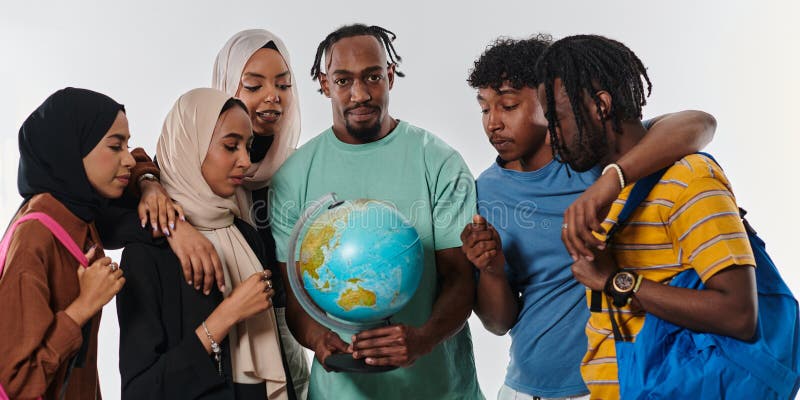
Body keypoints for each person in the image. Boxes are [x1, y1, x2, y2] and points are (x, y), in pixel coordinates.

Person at [460, 37, 718, 400]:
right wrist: (491, 269)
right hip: (523, 387)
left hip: (614, 382)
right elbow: (498, 323)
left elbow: (699, 123)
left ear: (548, 99)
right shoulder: (486, 191)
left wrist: (610, 181)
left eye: (509, 105)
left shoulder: (591, 156)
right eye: (485, 109)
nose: (493, 123)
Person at [534, 34, 757, 399]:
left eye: (557, 120)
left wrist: (616, 281)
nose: (550, 138)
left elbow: (739, 314)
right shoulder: (616, 188)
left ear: (601, 106)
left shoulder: (689, 179)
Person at [269, 24, 483, 399]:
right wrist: (318, 338)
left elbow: (461, 279)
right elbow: (296, 298)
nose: (361, 94)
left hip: (438, 389)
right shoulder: (292, 177)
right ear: (324, 84)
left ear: (390, 76)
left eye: (372, 77)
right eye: (343, 80)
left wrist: (423, 339)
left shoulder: (439, 163)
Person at [117, 88, 294, 399]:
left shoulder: (246, 234)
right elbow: (140, 391)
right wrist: (226, 316)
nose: (245, 161)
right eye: (230, 146)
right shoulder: (146, 253)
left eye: (248, 147)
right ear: (190, 145)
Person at [0, 88, 131, 399]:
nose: (128, 158)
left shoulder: (79, 212)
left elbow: (144, 166)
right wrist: (82, 307)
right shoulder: (36, 237)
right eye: (115, 146)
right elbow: (15, 382)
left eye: (128, 144)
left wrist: (150, 184)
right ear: (71, 148)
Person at [212, 29, 308, 397]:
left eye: (284, 85)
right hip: (216, 325)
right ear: (228, 89)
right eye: (253, 86)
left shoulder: (299, 167)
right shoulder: (201, 162)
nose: (273, 96)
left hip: (284, 327)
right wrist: (148, 183)